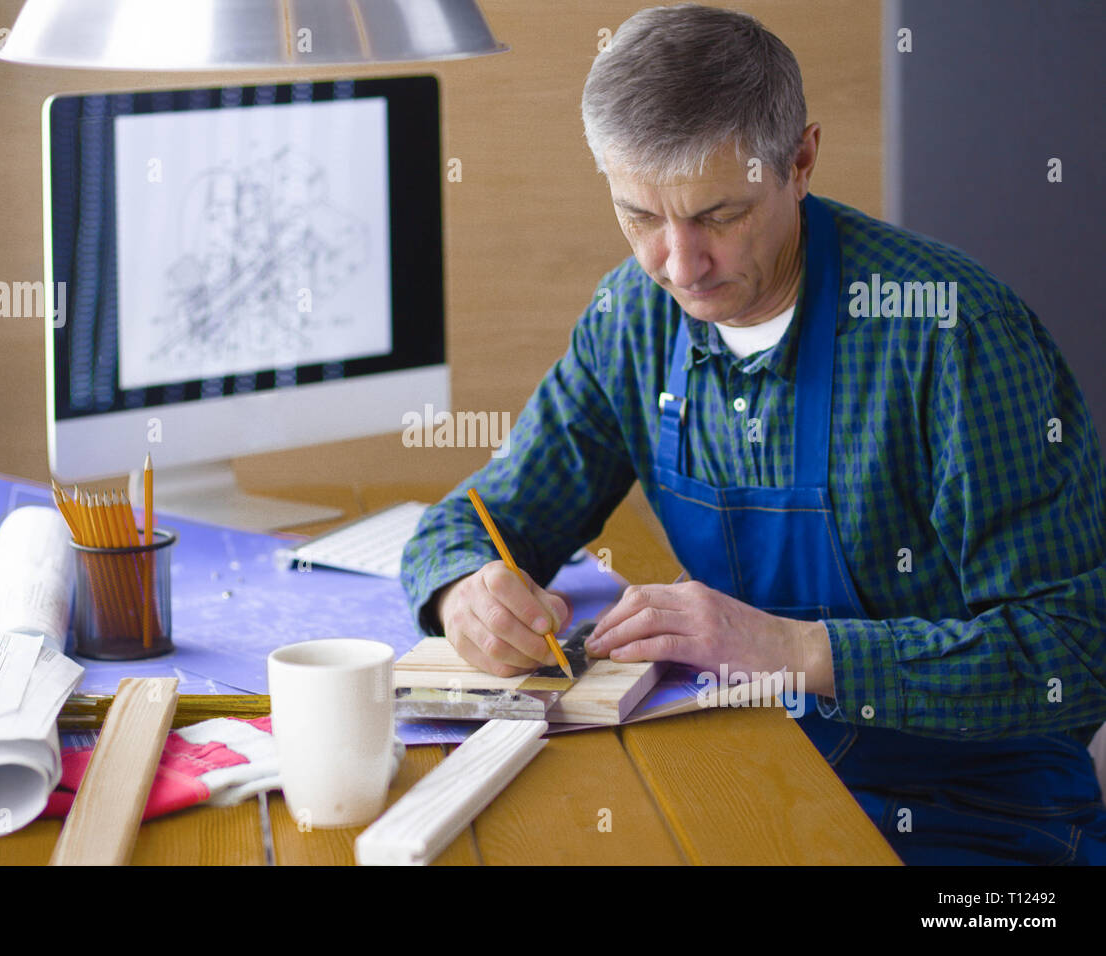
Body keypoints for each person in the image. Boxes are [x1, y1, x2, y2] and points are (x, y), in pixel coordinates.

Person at [400, 3, 1106, 865]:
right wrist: (465, 590)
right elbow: (474, 521)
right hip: (752, 767)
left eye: (719, 215)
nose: (680, 265)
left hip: (982, 816)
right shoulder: (633, 318)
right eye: (640, 218)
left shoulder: (951, 335)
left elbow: (1074, 647)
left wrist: (795, 650)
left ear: (801, 160)